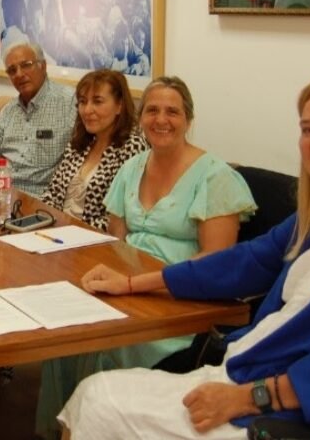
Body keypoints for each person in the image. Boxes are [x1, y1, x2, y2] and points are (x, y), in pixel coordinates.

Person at [58, 70, 310, 440]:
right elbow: (245, 262)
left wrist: (251, 397)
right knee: (95, 394)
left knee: (101, 401)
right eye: (308, 129)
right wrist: (131, 283)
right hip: (250, 372)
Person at [35, 75, 256, 439]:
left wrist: (141, 285)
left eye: (172, 111)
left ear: (188, 119)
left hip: (182, 298)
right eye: (152, 110)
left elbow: (217, 260)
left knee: (104, 343)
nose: (161, 119)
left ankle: (101, 423)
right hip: (129, 285)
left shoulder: (216, 177)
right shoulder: (131, 168)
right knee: (64, 331)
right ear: (140, 118)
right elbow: (115, 242)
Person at [40, 69, 148, 232]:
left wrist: (72, 229)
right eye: (83, 102)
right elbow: (52, 194)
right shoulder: (80, 142)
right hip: (55, 231)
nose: (87, 110)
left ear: (119, 106)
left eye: (97, 102)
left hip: (93, 240)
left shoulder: (133, 147)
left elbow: (122, 218)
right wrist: (42, 221)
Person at [0, 42, 76, 196]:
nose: (19, 74)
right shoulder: (8, 111)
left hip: (44, 200)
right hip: (3, 194)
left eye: (26, 65)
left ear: (43, 66)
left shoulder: (70, 103)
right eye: (12, 70)